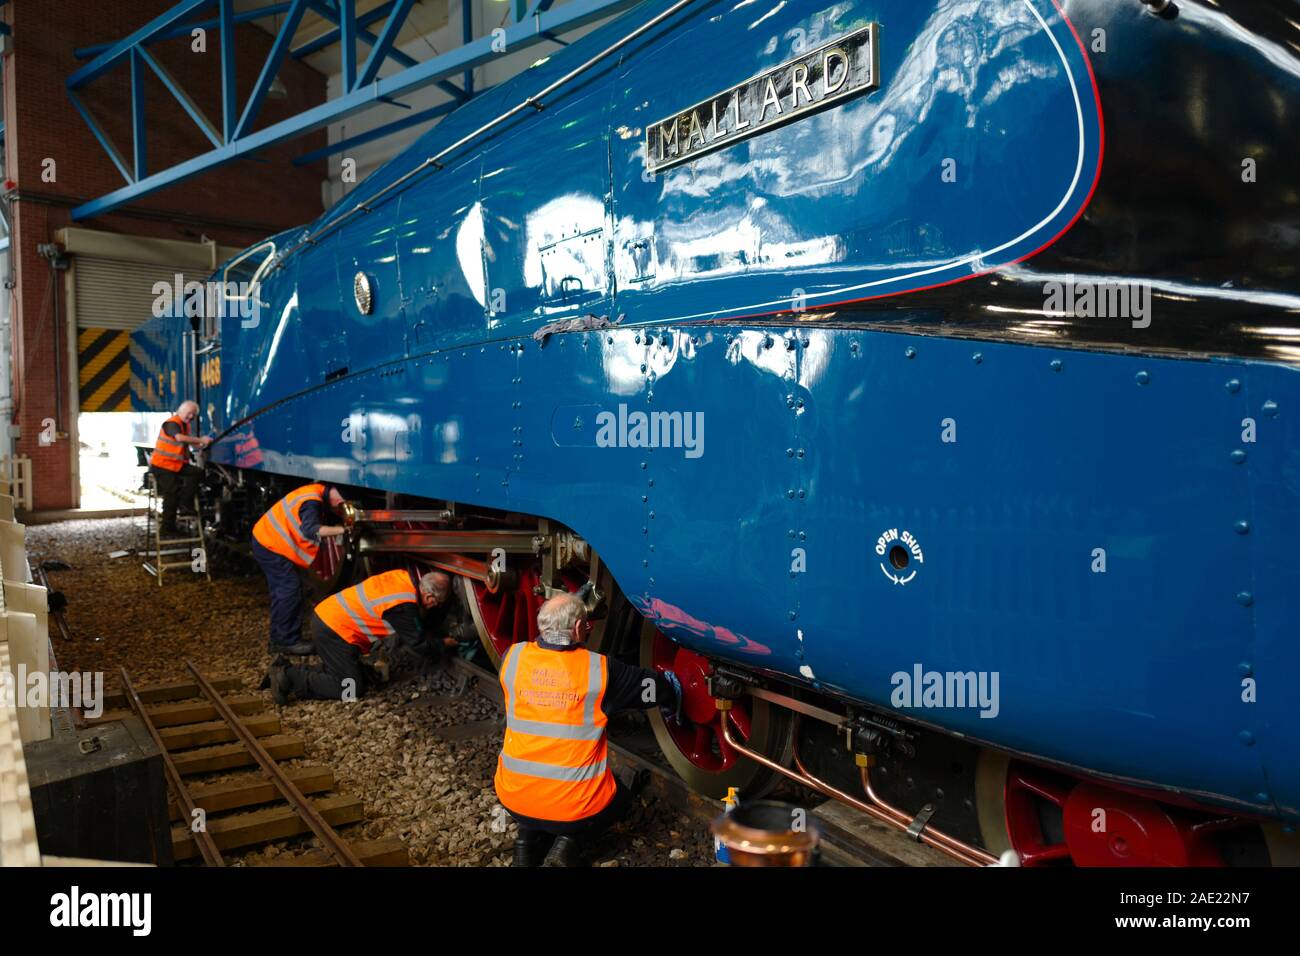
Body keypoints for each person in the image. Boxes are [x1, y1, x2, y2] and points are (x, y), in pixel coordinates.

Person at [494, 593, 682, 867]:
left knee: (538, 791)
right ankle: (569, 844)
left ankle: (525, 846)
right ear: (580, 628)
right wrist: (671, 692)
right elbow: (650, 688)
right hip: (573, 810)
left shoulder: (512, 658)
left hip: (511, 798)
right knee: (621, 801)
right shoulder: (600, 671)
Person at [267, 569, 451, 704]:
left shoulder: (403, 577)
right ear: (428, 596)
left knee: (349, 673)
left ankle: (288, 669)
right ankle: (289, 676)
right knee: (350, 689)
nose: (434, 607)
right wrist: (445, 643)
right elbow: (418, 644)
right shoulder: (402, 604)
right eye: (437, 603)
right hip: (335, 631)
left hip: (329, 619)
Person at [250, 483, 347, 655]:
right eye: (340, 500)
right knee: (288, 590)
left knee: (285, 590)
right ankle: (285, 642)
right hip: (270, 544)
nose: (339, 503)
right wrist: (342, 530)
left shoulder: (314, 492)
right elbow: (311, 530)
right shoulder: (311, 501)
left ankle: (279, 638)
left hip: (268, 540)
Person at [147, 401, 211, 536]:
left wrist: (199, 446)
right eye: (189, 413)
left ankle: (185, 504)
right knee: (171, 494)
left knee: (197, 473)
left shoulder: (183, 424)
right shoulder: (172, 423)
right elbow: (179, 438)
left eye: (193, 415)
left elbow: (182, 445)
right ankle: (167, 528)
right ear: (181, 411)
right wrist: (200, 440)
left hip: (175, 464)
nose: (191, 417)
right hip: (162, 465)